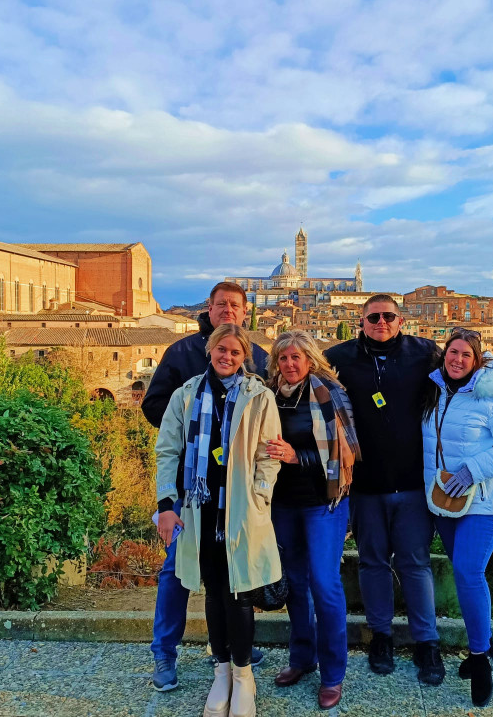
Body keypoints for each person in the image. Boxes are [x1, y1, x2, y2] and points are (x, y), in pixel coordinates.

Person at [143, 282, 270, 692]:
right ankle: (165, 653)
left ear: (245, 312)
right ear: (209, 309)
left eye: (235, 305)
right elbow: (154, 406)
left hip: (237, 490)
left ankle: (237, 647)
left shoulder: (260, 358)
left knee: (236, 568)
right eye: (221, 305)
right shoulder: (180, 354)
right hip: (191, 487)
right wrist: (198, 422)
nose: (228, 311)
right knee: (176, 571)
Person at [324, 295, 446, 685]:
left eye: (388, 316)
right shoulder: (339, 357)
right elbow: (297, 375)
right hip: (365, 485)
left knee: (415, 562)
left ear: (401, 320)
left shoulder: (425, 353)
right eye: (373, 317)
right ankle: (381, 636)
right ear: (360, 321)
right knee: (372, 561)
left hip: (413, 483)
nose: (381, 322)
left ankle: (427, 642)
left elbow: (467, 370)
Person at [421, 329, 493, 707]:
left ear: (477, 360)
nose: (458, 360)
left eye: (466, 354)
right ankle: (486, 647)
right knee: (463, 572)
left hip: (484, 501)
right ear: (444, 355)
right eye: (453, 352)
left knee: (468, 573)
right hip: (445, 502)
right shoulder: (434, 390)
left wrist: (472, 470)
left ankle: (480, 659)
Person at [264, 331, 361, 710]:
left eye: (296, 357)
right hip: (282, 503)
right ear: (276, 362)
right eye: (283, 358)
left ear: (310, 360)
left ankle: (333, 674)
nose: (289, 364)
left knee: (324, 583)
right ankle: (302, 658)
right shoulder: (268, 396)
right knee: (296, 584)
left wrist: (296, 456)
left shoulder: (329, 393)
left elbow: (348, 448)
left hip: (324, 502)